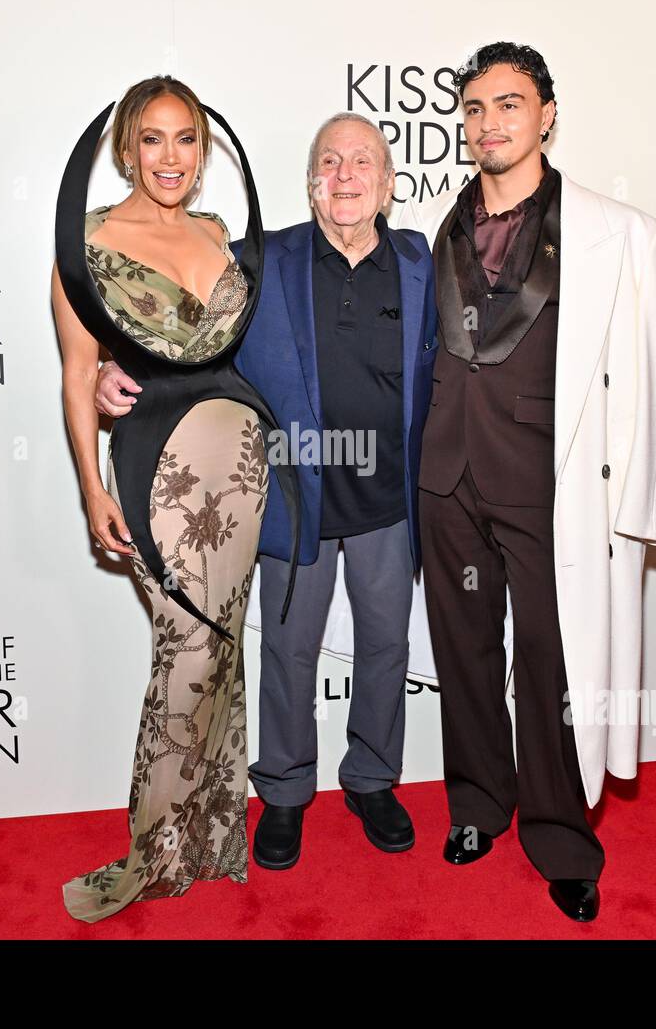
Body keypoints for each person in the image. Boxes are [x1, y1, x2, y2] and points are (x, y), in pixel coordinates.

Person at [96, 112, 438, 869]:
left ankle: (374, 780)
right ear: (311, 182)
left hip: (390, 501)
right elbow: (190, 338)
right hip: (292, 497)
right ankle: (283, 792)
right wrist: (107, 366)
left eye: (362, 163)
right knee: (288, 650)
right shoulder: (261, 259)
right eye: (329, 162)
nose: (345, 176)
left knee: (386, 645)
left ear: (388, 183)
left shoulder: (419, 263)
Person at [392, 41, 656, 922]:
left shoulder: (619, 233)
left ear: (547, 114)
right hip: (446, 477)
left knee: (554, 663)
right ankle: (478, 804)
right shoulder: (439, 231)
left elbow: (652, 384)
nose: (489, 123)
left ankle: (560, 837)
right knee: (464, 652)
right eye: (474, 108)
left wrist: (638, 507)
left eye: (508, 104)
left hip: (550, 484)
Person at [51, 76, 300, 922]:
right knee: (186, 646)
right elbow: (81, 372)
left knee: (220, 644)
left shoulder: (216, 233)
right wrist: (91, 486)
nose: (169, 156)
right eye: (151, 139)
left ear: (204, 150)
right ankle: (156, 847)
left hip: (239, 457)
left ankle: (211, 834)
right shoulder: (85, 243)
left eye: (185, 139)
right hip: (159, 463)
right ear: (125, 147)